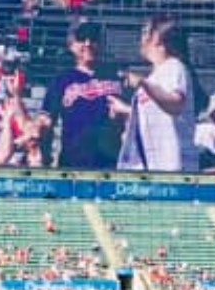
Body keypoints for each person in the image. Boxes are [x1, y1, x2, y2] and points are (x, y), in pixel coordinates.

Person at [115, 15, 201, 173]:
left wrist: (143, 83)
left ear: (157, 38)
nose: (141, 38)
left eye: (145, 31)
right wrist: (126, 109)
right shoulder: (156, 75)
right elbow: (158, 111)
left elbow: (175, 104)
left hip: (174, 165)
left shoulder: (175, 67)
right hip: (152, 165)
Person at [42, 21, 126, 171]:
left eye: (93, 38)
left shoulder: (118, 76)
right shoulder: (61, 80)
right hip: (73, 165)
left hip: (112, 164)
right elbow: (47, 121)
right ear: (71, 45)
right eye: (82, 38)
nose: (88, 43)